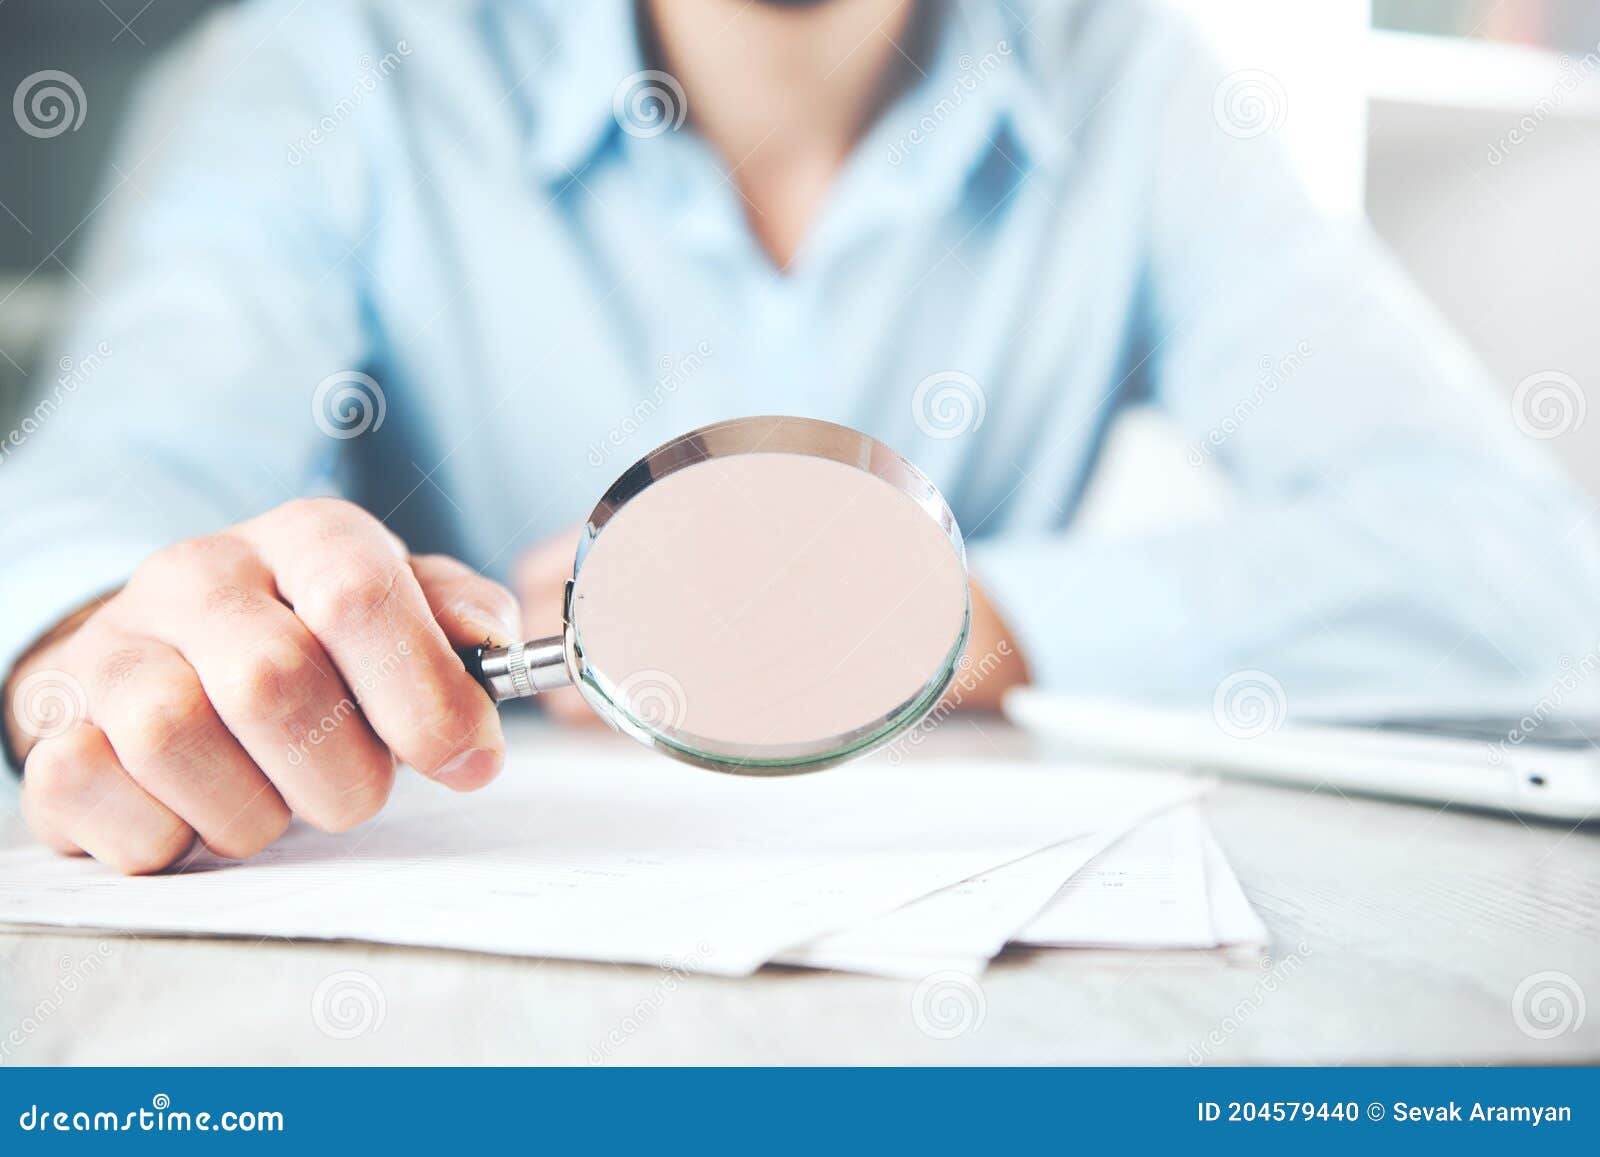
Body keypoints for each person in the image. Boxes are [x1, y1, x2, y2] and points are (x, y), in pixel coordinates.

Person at [3, 0, 1595, 873]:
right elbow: (110, 475)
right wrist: (103, 643)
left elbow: (1517, 555)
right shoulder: (331, 60)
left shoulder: (1136, 82)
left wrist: (972, 627)